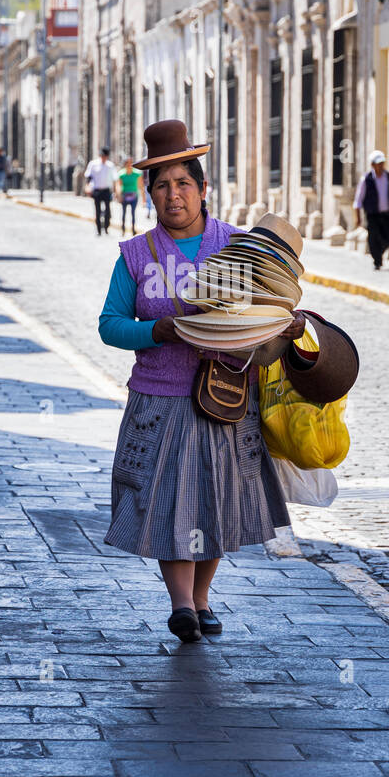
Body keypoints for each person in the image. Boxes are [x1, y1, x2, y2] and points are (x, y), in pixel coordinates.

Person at [98, 120, 305, 644]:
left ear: (203, 188)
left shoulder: (238, 248)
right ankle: (182, 603)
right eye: (162, 186)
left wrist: (292, 324)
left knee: (216, 500)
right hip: (159, 399)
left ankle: (204, 597)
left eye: (183, 184)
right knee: (166, 500)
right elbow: (110, 325)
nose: (174, 195)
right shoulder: (136, 256)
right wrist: (154, 330)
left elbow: (270, 311)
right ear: (149, 194)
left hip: (227, 396)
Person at [353, 149, 389, 270]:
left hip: (387, 214)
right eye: (378, 163)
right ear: (372, 165)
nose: (380, 166)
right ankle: (377, 260)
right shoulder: (366, 179)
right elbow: (358, 199)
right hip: (372, 214)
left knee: (388, 237)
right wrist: (358, 216)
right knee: (373, 237)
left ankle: (378, 254)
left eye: (382, 163)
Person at [84, 146, 115, 235]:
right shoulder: (93, 164)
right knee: (97, 210)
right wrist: (87, 187)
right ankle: (98, 230)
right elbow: (89, 177)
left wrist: (116, 191)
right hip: (97, 190)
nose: (103, 158)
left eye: (105, 156)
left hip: (106, 190)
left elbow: (114, 179)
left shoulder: (110, 165)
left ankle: (106, 227)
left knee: (108, 210)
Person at [116, 156, 142, 234]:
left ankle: (133, 229)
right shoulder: (121, 174)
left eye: (131, 163)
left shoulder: (137, 174)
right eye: (127, 163)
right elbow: (119, 186)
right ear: (125, 164)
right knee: (123, 212)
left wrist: (143, 198)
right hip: (124, 195)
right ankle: (123, 228)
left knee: (133, 213)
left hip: (134, 196)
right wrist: (119, 195)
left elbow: (140, 186)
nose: (129, 165)